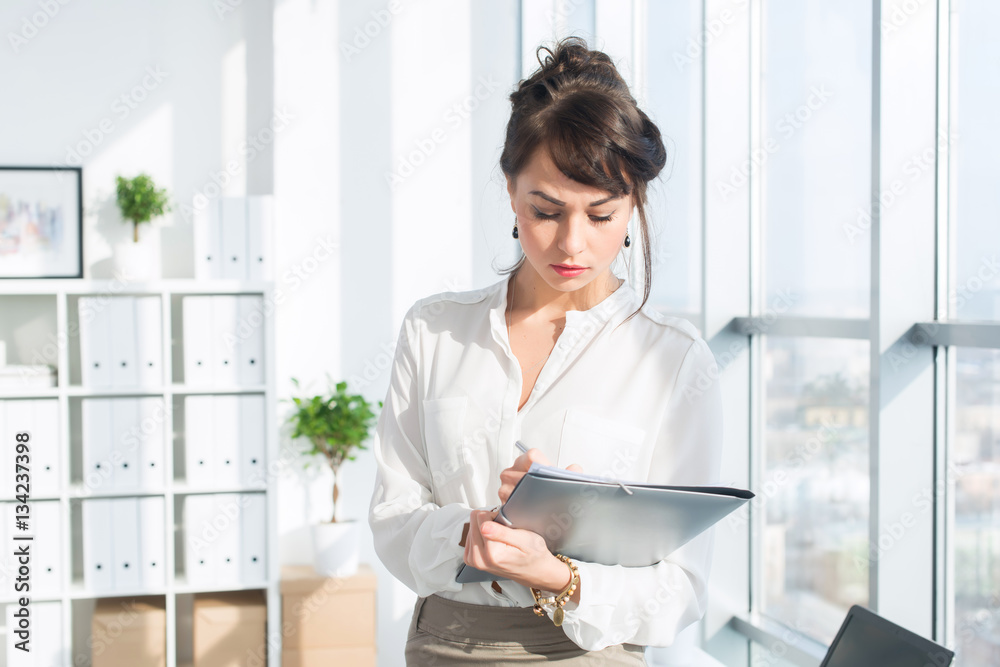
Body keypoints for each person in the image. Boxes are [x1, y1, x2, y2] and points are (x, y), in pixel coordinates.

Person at [368, 35, 724, 665]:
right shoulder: (434, 330)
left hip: (587, 652)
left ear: (634, 204)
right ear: (511, 193)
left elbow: (682, 588)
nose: (573, 244)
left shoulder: (673, 360)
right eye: (547, 210)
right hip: (444, 643)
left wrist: (560, 574)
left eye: (602, 215)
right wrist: (465, 533)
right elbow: (393, 518)